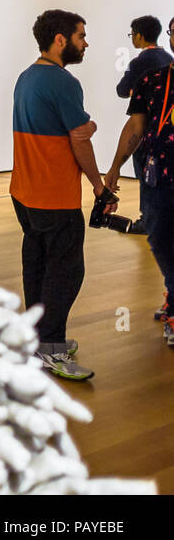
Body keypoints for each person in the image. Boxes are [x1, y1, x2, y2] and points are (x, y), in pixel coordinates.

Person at [10, 9, 112, 380]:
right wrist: (99, 186)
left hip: (23, 193)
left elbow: (69, 128)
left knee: (36, 265)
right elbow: (79, 140)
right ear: (60, 39)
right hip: (55, 197)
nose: (86, 44)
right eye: (81, 36)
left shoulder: (26, 77)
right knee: (66, 271)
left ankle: (34, 340)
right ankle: (51, 347)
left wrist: (84, 127)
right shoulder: (63, 82)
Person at [106, 43, 174, 346]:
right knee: (159, 239)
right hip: (157, 177)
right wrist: (114, 167)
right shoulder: (150, 80)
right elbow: (136, 126)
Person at [115, 15, 172, 235]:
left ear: (139, 35)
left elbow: (122, 90)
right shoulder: (167, 57)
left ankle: (148, 220)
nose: (132, 39)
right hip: (167, 129)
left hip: (147, 128)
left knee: (145, 174)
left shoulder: (140, 62)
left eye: (132, 35)